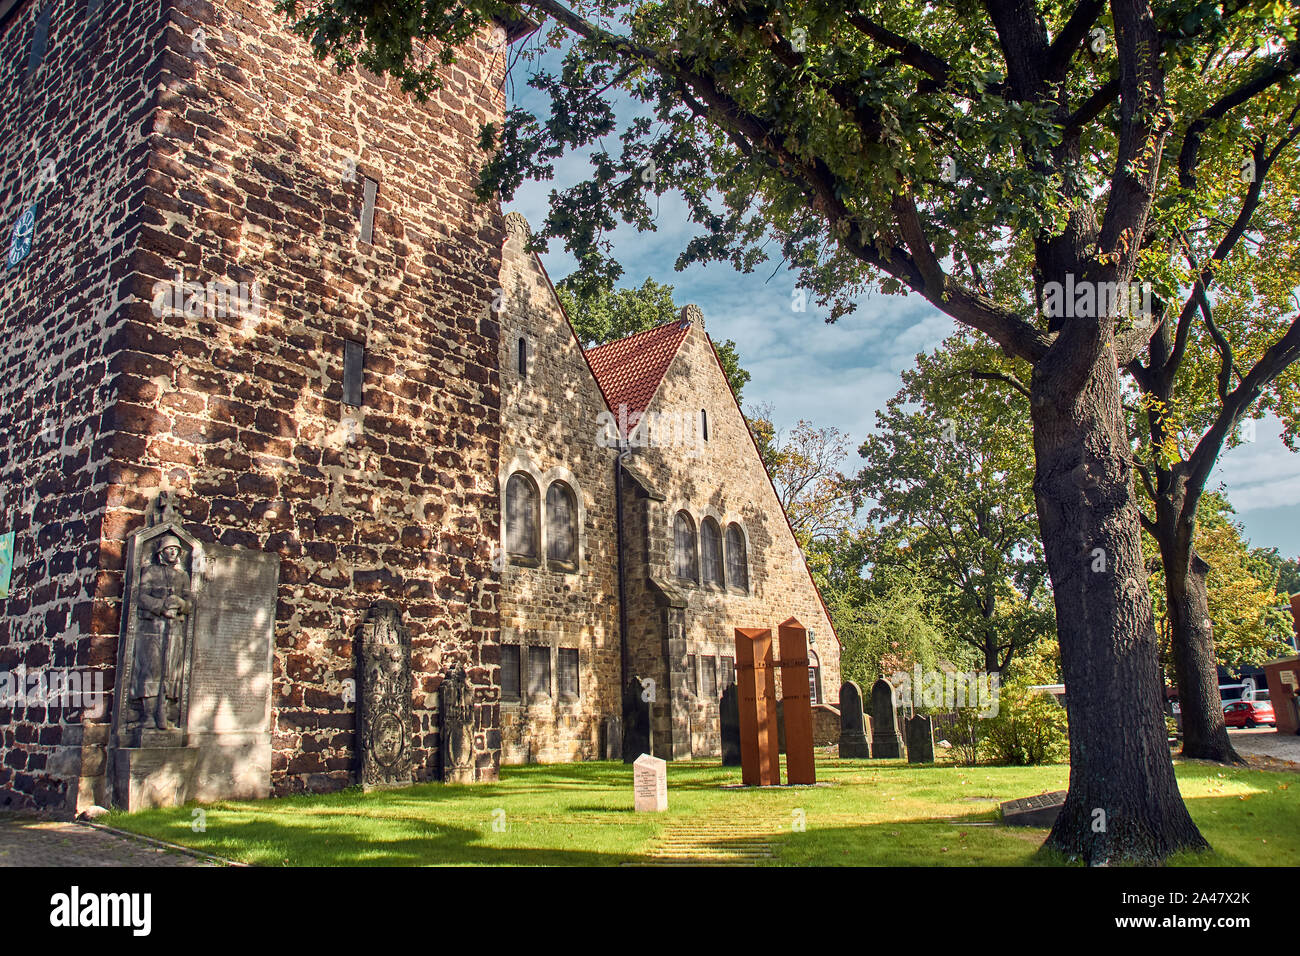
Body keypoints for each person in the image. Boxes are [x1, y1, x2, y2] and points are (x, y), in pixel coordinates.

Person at [131, 535, 192, 730]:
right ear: (161, 552)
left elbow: (190, 602)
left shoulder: (182, 576)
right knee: (151, 669)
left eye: (176, 549)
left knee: (171, 671)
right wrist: (161, 606)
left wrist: (180, 603)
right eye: (169, 548)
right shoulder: (151, 571)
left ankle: (163, 713)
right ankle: (148, 715)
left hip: (174, 629)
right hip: (153, 628)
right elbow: (141, 596)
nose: (173, 552)